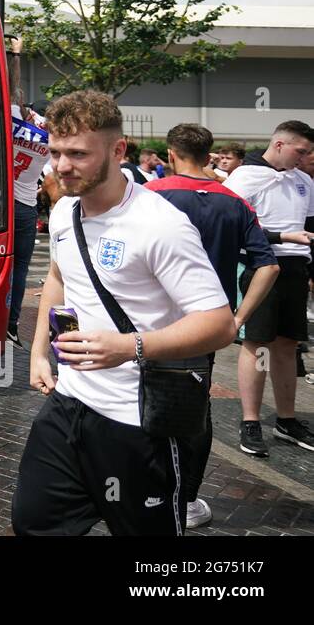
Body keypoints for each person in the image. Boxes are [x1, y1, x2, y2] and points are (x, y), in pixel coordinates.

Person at [12, 90, 234, 537]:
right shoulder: (63, 210)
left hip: (139, 423)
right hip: (68, 405)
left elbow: (219, 324)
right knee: (34, 525)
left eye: (77, 154)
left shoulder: (160, 225)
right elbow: (58, 277)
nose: (61, 165)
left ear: (118, 150)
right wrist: (39, 351)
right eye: (55, 152)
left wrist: (128, 347)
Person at [145, 123, 279, 528]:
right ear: (210, 155)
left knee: (136, 402)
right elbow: (268, 264)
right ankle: (184, 499)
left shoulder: (149, 195)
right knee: (193, 409)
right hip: (204, 325)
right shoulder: (235, 202)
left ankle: (143, 491)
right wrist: (236, 319)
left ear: (171, 153)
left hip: (148, 319)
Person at [223, 120, 314, 457]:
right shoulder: (245, 177)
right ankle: (251, 421)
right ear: (279, 145)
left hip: (294, 267)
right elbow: (234, 225)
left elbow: (309, 225)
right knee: (257, 343)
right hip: (262, 265)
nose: (304, 158)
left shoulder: (303, 180)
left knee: (288, 344)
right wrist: (280, 237)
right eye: (300, 151)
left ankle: (287, 419)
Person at [5, 39, 49, 347]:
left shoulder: (18, 119)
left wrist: (16, 55)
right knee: (20, 267)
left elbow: (11, 90)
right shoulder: (50, 139)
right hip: (25, 205)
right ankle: (11, 323)